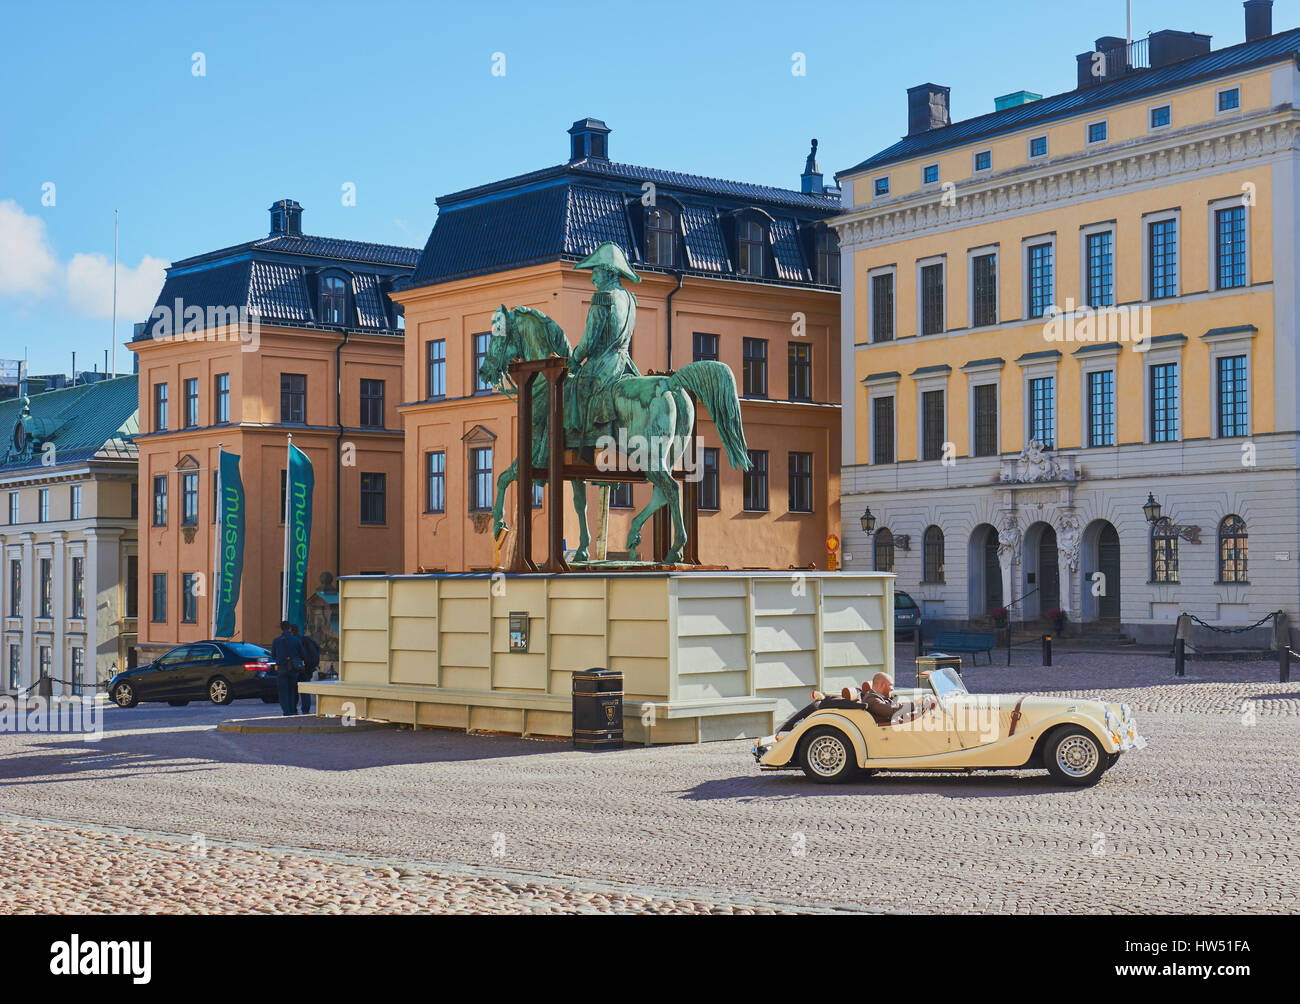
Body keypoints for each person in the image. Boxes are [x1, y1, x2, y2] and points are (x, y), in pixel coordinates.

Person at [270, 620, 306, 716]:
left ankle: (286, 711)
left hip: (282, 668)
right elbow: (303, 654)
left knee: (283, 691)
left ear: (281, 629)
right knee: (293, 690)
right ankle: (293, 709)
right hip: (293, 668)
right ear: (290, 628)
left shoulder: (276, 641)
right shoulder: (296, 640)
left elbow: (273, 655)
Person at [295, 625, 320, 714]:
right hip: (309, 667)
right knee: (305, 690)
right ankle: (306, 709)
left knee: (295, 689)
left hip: (300, 668)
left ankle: (295, 709)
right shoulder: (307, 639)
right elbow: (318, 648)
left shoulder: (296, 640)